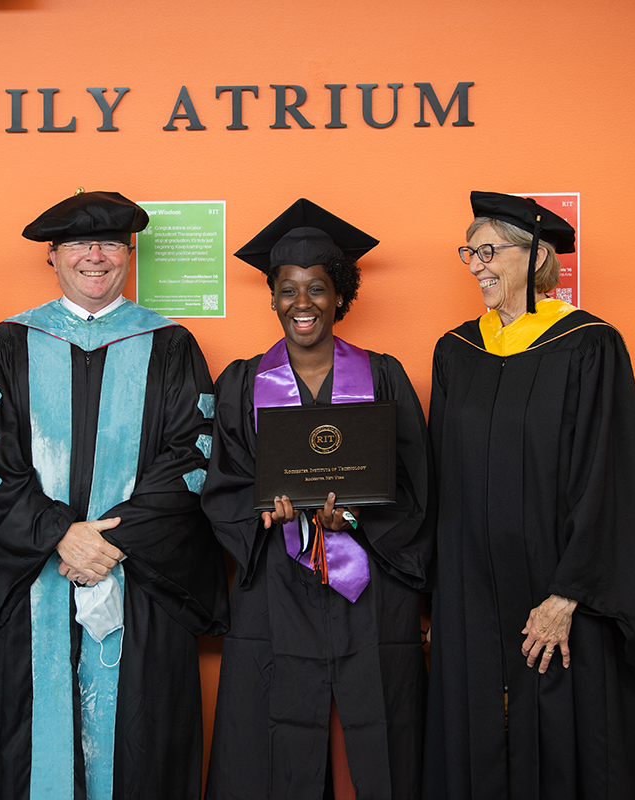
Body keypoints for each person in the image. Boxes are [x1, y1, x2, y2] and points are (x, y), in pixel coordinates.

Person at [0, 189, 229, 800]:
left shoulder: (171, 344)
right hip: (40, 578)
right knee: (37, 744)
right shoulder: (9, 343)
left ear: (129, 256)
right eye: (80, 243)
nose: (95, 256)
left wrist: (110, 542)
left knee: (142, 738)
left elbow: (194, 457)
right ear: (52, 256)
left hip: (141, 578)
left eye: (110, 243)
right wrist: (60, 533)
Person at [422, 191, 635, 799]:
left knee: (566, 731)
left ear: (536, 256)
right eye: (470, 253)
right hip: (471, 594)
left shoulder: (589, 347)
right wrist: (435, 597)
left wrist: (566, 596)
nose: (477, 266)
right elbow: (439, 476)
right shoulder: (457, 351)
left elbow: (609, 479)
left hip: (559, 592)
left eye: (489, 251)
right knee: (476, 733)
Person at [201, 198, 434, 800]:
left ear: (340, 296)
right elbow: (223, 481)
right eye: (287, 290)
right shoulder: (241, 382)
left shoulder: (383, 376)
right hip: (275, 579)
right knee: (269, 737)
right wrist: (260, 515)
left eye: (317, 289)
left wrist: (352, 517)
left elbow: (417, 483)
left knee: (382, 729)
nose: (301, 304)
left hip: (368, 582)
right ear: (273, 297)